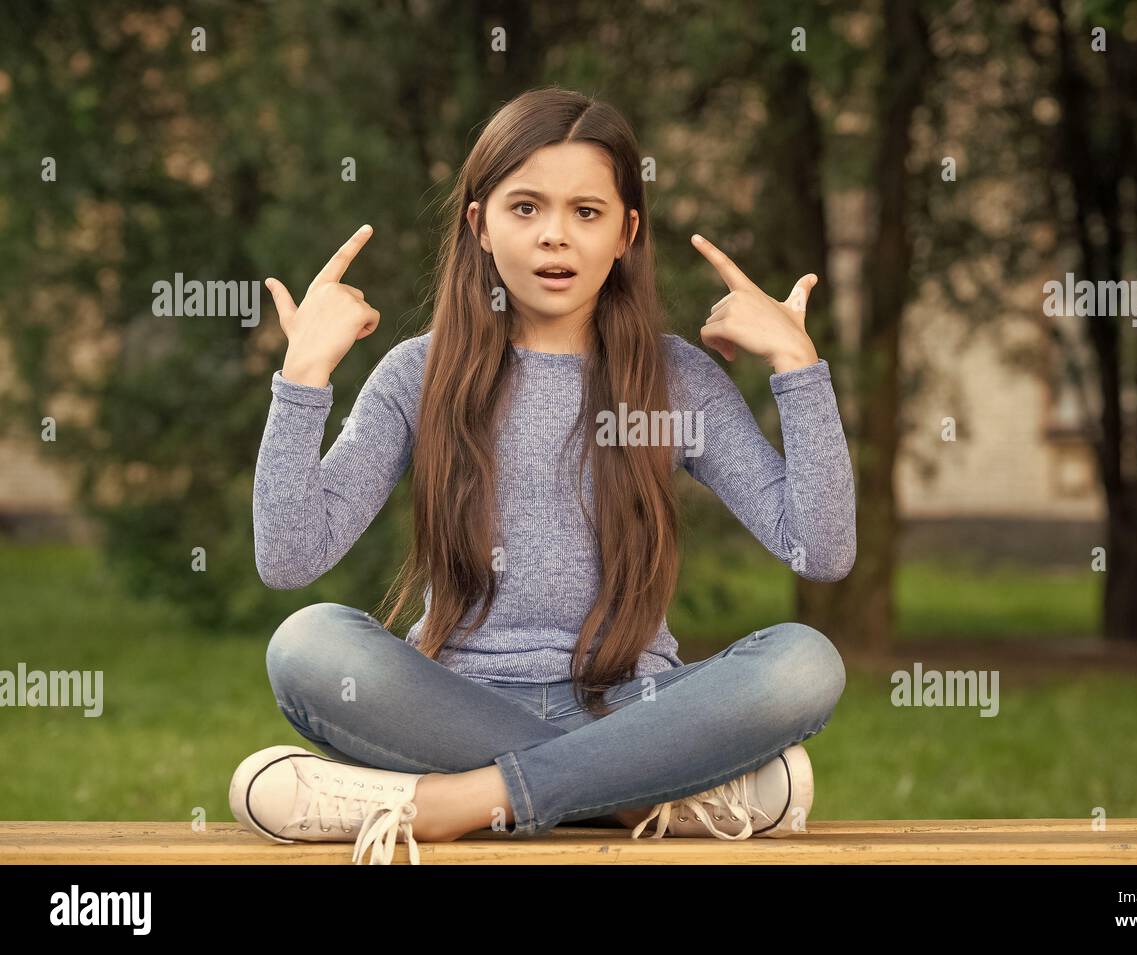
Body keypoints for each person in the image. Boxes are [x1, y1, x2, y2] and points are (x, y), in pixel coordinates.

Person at [229, 87, 855, 864]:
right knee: (308, 644)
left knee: (804, 662)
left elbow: (821, 549)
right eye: (525, 208)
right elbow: (288, 558)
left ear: (627, 232)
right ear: (479, 225)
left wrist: (798, 364)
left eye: (586, 213)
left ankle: (455, 801)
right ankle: (641, 795)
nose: (555, 237)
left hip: (634, 705)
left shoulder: (676, 378)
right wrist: (304, 373)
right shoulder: (417, 373)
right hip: (454, 708)